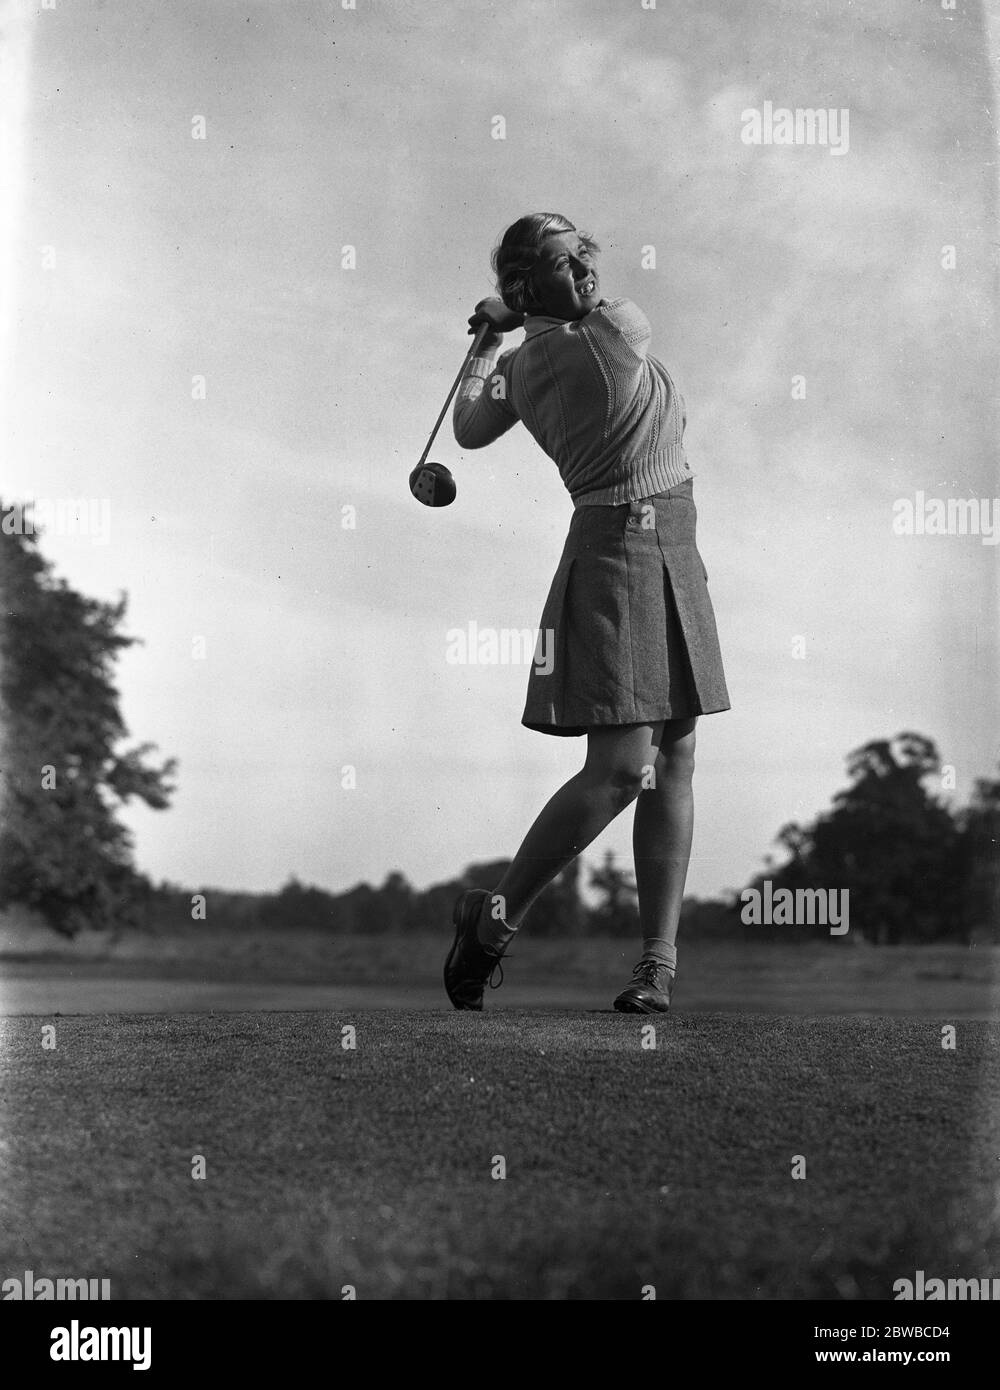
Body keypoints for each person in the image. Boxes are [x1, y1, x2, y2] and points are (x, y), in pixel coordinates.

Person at [443, 212, 730, 1014]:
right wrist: (513, 317)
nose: (588, 275)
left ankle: (656, 966)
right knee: (619, 773)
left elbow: (466, 431)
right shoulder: (605, 336)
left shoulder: (526, 362)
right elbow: (625, 317)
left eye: (586, 259)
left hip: (672, 539)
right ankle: (493, 921)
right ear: (531, 285)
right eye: (568, 266)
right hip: (618, 548)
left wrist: (488, 338)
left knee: (675, 755)